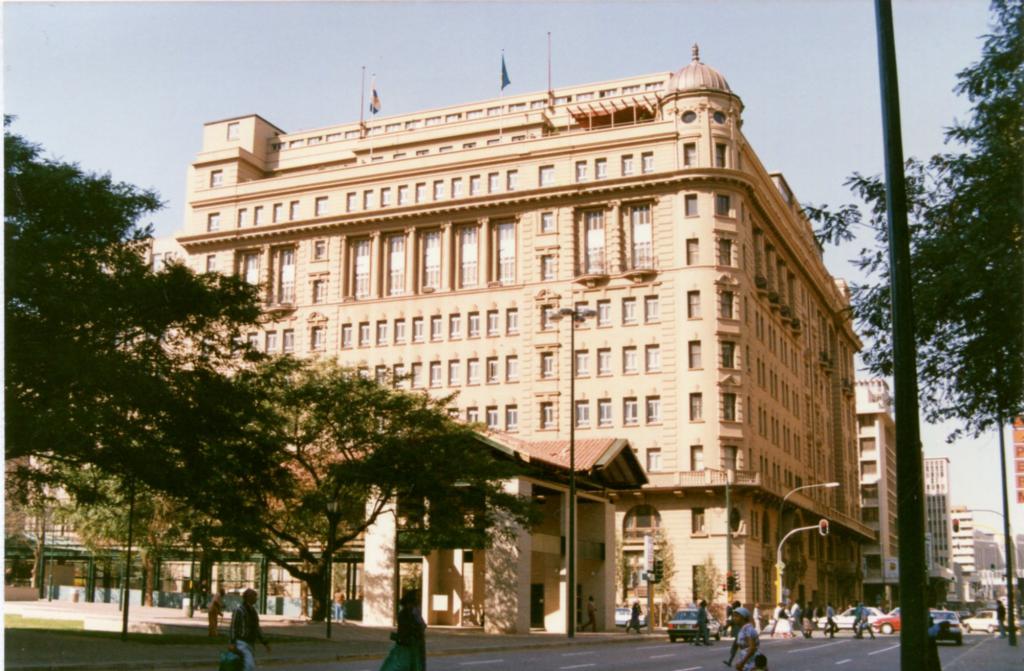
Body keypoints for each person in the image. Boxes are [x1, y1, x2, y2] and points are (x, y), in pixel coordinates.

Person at [380, 591, 427, 671]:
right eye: (410, 603)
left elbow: (422, 626)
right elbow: (406, 629)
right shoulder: (403, 615)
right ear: (406, 604)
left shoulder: (415, 614)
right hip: (405, 646)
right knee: (398, 666)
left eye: (413, 604)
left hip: (413, 646)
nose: (411, 606)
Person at [229, 588, 270, 671]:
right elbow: (233, 627)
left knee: (245, 665)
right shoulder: (239, 610)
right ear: (248, 597)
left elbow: (256, 627)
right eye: (254, 596)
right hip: (241, 642)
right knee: (249, 665)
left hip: (251, 642)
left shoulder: (253, 611)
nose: (256, 599)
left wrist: (265, 642)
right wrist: (232, 642)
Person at [732, 606, 761, 671]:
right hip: (747, 660)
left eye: (736, 616)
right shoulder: (743, 629)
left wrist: (742, 663)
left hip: (752, 660)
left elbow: (752, 648)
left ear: (743, 617)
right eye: (733, 616)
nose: (734, 618)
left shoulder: (748, 629)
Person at [723, 600, 743, 666]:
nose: (732, 606)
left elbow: (732, 621)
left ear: (736, 606)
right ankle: (730, 661)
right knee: (736, 647)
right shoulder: (741, 611)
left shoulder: (737, 612)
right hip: (741, 633)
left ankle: (732, 662)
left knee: (742, 648)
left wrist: (725, 627)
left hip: (739, 633)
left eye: (733, 605)